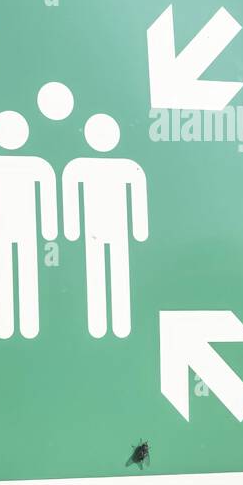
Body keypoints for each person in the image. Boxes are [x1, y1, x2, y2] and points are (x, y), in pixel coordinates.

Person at [0, 111, 57, 339]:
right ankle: (5, 326)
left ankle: (29, 324)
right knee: (3, 272)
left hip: (27, 230)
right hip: (1, 231)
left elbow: (47, 196)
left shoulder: (37, 165)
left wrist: (49, 229)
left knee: (27, 273)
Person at [62, 114, 148, 338]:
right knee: (96, 273)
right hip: (94, 232)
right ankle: (98, 324)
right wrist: (71, 230)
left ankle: (121, 324)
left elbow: (137, 198)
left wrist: (139, 231)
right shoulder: (78, 166)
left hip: (119, 232)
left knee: (119, 273)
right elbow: (71, 197)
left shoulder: (128, 167)